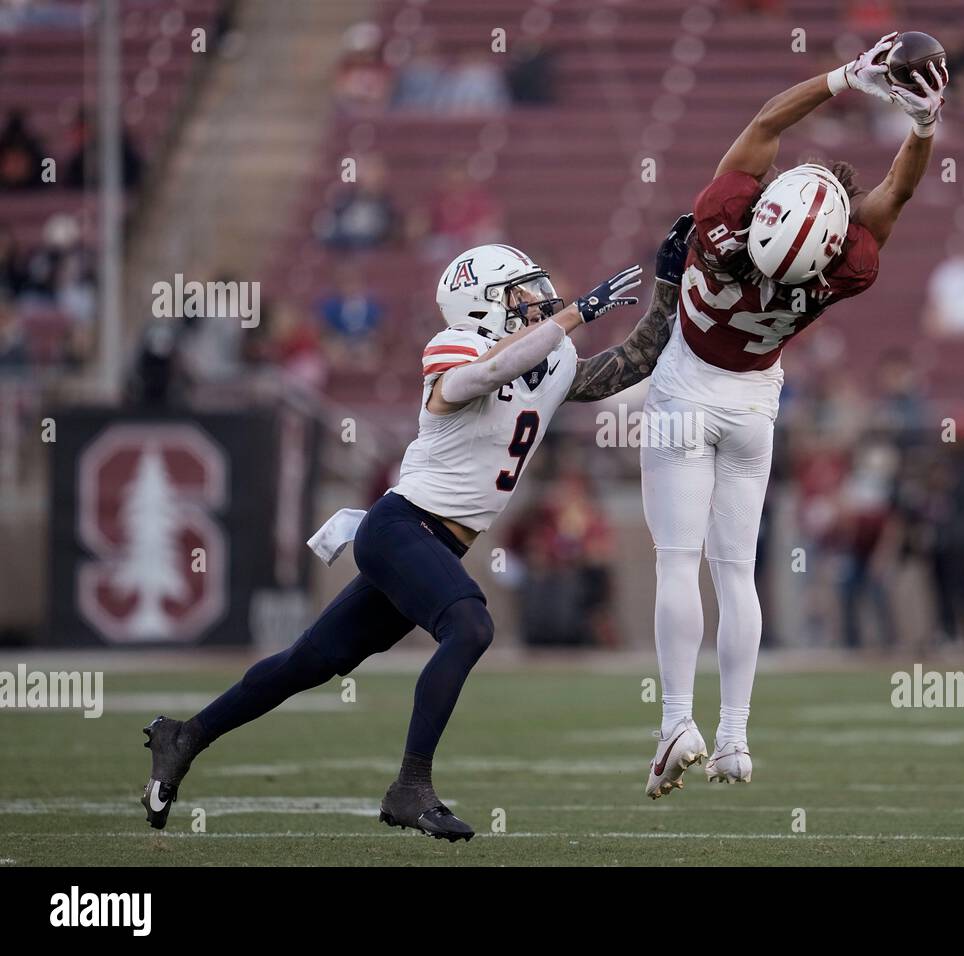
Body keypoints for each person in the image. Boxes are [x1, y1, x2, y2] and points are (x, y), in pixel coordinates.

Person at [139, 217, 694, 843]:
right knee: (470, 625)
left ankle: (183, 737)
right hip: (401, 527)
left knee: (309, 661)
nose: (539, 297)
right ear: (485, 302)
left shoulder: (554, 353)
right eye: (521, 289)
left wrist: (668, 284)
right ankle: (410, 786)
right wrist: (572, 316)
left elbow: (627, 365)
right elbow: (478, 378)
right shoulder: (453, 346)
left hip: (432, 541)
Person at [639, 31, 947, 798]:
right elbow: (897, 194)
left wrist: (848, 76)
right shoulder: (847, 267)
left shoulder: (721, 218)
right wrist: (923, 125)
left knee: (679, 562)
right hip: (752, 410)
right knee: (736, 573)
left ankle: (679, 719)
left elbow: (767, 123)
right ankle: (736, 738)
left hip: (685, 392)